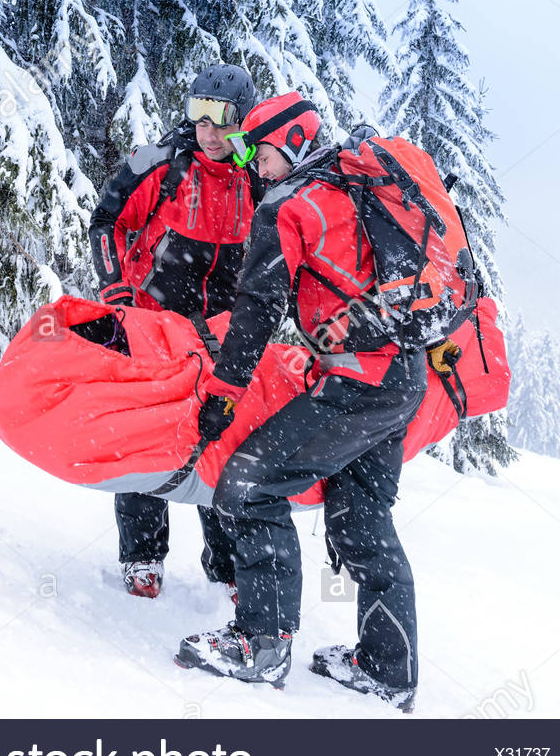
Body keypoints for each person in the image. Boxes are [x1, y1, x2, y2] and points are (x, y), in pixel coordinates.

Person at [174, 93, 427, 711]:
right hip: (403, 379)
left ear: (291, 142)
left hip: (356, 382)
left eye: (256, 152)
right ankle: (388, 670)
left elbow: (259, 309)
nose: (251, 167)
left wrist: (224, 393)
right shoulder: (353, 182)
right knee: (359, 516)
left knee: (249, 482)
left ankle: (262, 647)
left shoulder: (288, 205)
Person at [89, 64, 261, 599]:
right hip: (153, 322)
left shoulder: (258, 179)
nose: (207, 130)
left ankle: (226, 565)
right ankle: (143, 557)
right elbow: (104, 221)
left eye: (220, 117)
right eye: (197, 113)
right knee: (148, 437)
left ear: (244, 120)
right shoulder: (163, 164)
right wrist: (115, 286)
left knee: (221, 440)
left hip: (220, 334)